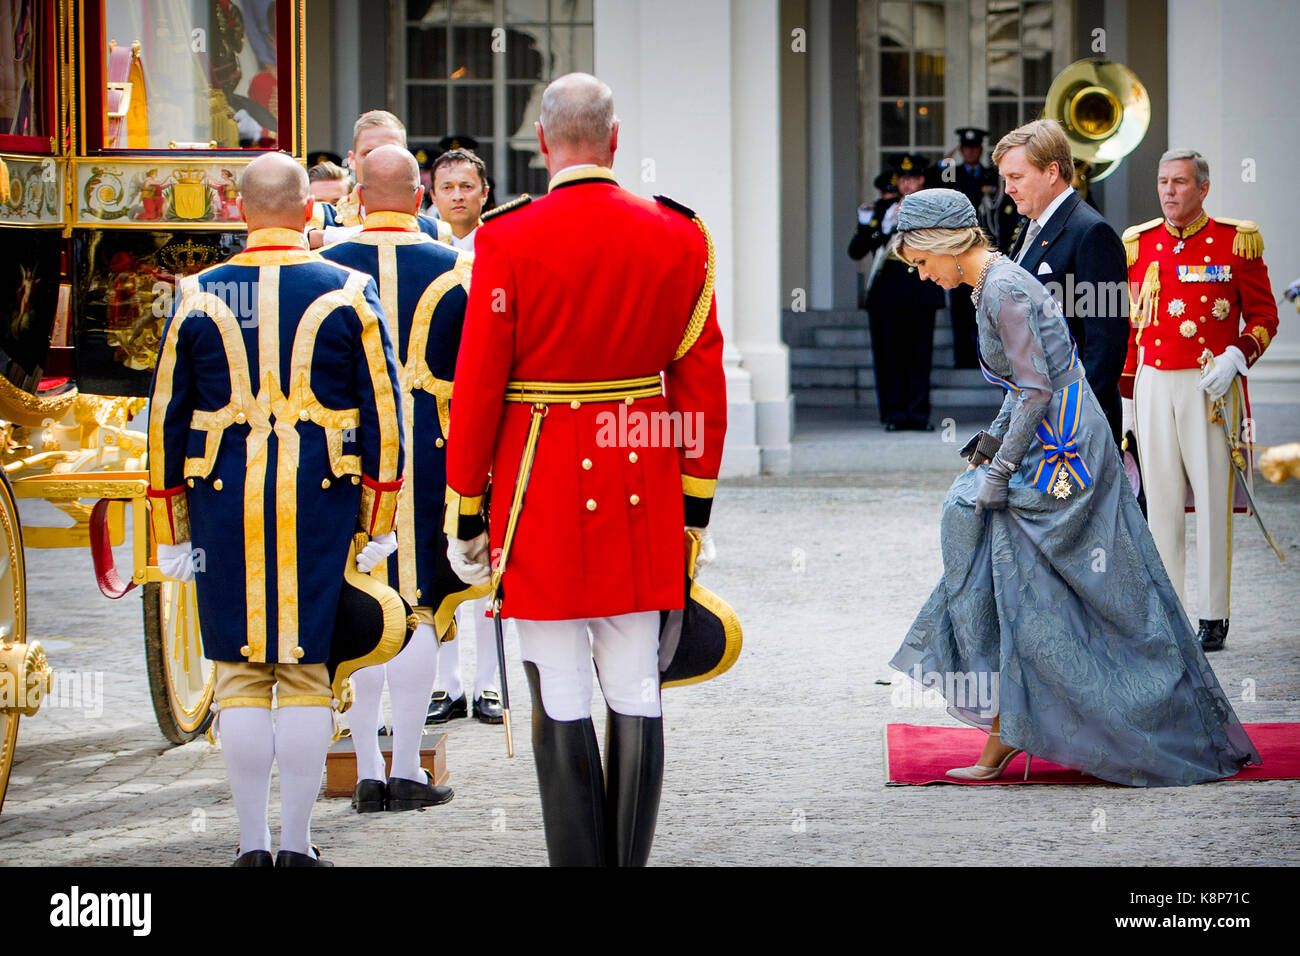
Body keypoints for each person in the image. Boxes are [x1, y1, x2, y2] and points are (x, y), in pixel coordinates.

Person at [443, 72, 727, 866]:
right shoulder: (681, 233)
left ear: (540, 143)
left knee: (559, 689)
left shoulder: (503, 237)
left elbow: (478, 384)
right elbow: (699, 382)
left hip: (537, 483)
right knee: (637, 686)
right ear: (615, 139)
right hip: (640, 473)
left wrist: (467, 505)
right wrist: (693, 508)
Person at [886, 188, 1259, 787]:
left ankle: (1043, 721)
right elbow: (1023, 389)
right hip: (1055, 431)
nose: (922, 276)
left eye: (921, 262)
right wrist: (990, 447)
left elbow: (1035, 390)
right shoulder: (991, 283)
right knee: (1001, 554)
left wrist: (1000, 473)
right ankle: (1012, 718)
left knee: (1047, 576)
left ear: (945, 246)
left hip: (1064, 451)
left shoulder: (1002, 288)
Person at [147, 152, 406, 864]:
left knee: (238, 671)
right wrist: (379, 524)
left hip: (220, 505)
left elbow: (166, 420)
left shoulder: (198, 294)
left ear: (238, 212)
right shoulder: (350, 290)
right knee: (304, 670)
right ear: (306, 213)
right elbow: (385, 418)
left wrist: (170, 531)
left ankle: (251, 843)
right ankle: (297, 842)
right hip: (321, 501)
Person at [319, 144, 479, 811]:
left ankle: (361, 768)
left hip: (347, 459)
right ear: (421, 197)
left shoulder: (321, 268)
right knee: (416, 607)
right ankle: (408, 766)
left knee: (359, 599)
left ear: (357, 195)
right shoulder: (459, 269)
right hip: (431, 456)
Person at [1119, 149, 1280, 653]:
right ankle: (1169, 610)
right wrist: (1127, 396)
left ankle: (1213, 614)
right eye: (1163, 182)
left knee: (1210, 497)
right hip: (1153, 381)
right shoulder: (1140, 243)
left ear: (1203, 189)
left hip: (1209, 382)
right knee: (1160, 500)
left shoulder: (1237, 240)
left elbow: (1264, 316)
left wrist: (1237, 355)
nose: (1169, 191)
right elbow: (1134, 324)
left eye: (1181, 182)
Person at [422, 144, 503, 725]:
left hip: (483, 416)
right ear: (431, 193)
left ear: (483, 192)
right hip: (430, 422)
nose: (456, 195)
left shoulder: (500, 248)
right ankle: (446, 683)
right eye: (446, 186)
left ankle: (492, 683)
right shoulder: (422, 251)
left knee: (490, 549)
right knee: (435, 551)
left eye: (466, 186)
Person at [993, 119, 1130, 446]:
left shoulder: (1091, 232)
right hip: (1037, 415)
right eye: (1005, 179)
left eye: (1016, 177)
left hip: (1073, 426)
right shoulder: (1033, 226)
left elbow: (1107, 340)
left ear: (1051, 172)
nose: (1008, 189)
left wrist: (1074, 419)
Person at [849, 153, 945, 431]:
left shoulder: (932, 209)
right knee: (891, 356)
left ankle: (918, 414)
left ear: (921, 180)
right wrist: (881, 226)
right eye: (903, 179)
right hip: (888, 292)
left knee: (920, 355)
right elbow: (857, 250)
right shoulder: (882, 209)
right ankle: (894, 414)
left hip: (920, 287)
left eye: (913, 178)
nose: (907, 184)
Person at [308, 111, 451, 248]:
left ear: (407, 159)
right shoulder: (321, 218)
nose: (379, 160)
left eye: (390, 151)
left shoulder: (435, 230)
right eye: (368, 153)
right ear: (351, 160)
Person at [938, 128, 997, 368]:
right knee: (960, 306)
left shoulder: (991, 174)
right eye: (966, 148)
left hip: (983, 249)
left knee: (985, 305)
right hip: (957, 250)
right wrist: (948, 158)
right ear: (961, 150)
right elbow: (939, 180)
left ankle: (986, 357)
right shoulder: (954, 173)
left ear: (981, 150)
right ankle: (962, 356)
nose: (971, 151)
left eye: (974, 148)